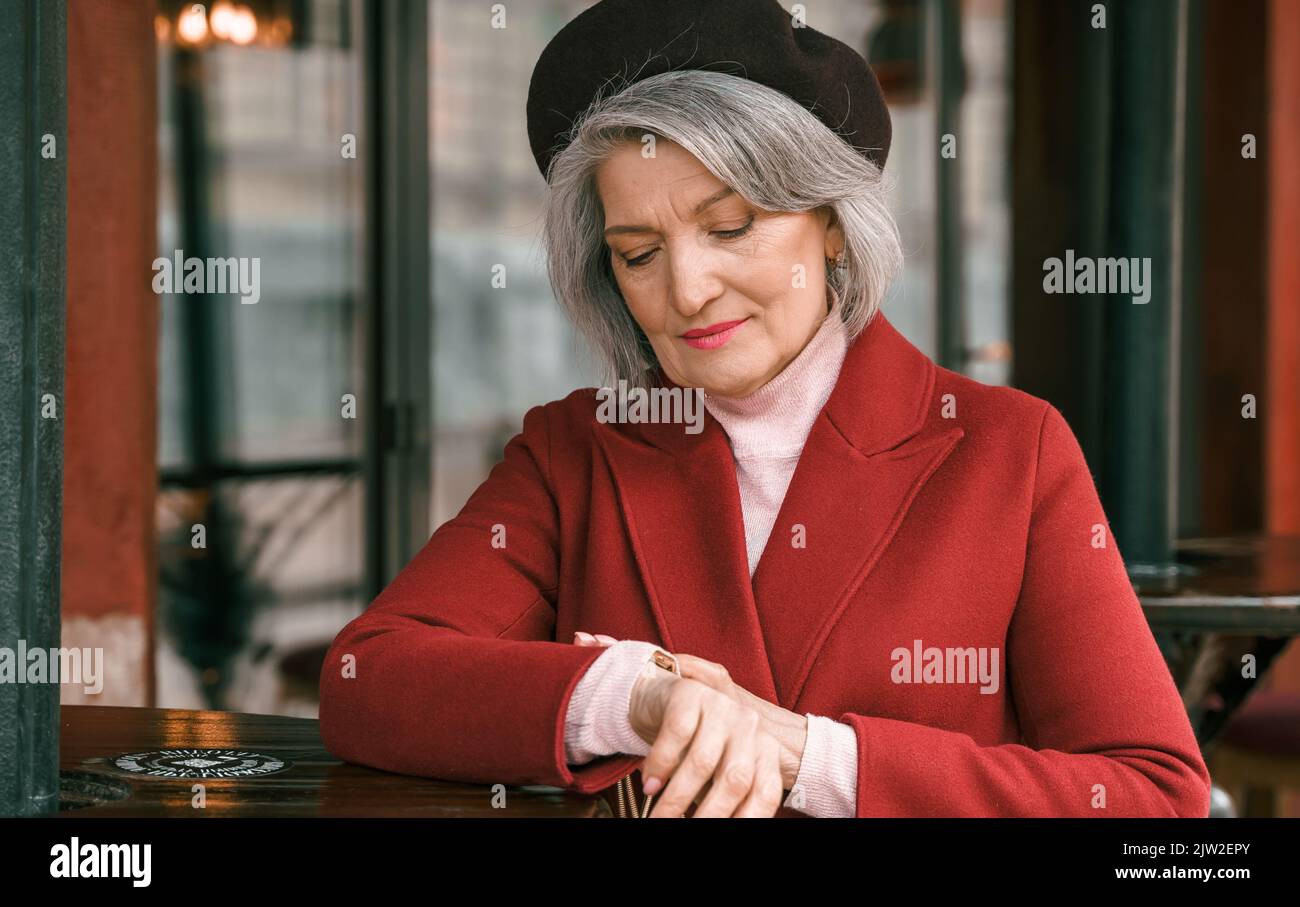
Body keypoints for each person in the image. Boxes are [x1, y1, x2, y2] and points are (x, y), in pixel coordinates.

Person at [318, 0, 1211, 819]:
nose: (688, 289)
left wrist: (813, 757)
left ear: (829, 220)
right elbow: (369, 676)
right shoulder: (576, 450)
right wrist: (637, 692)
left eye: (731, 227)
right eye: (638, 253)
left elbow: (1152, 799)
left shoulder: (1010, 451)